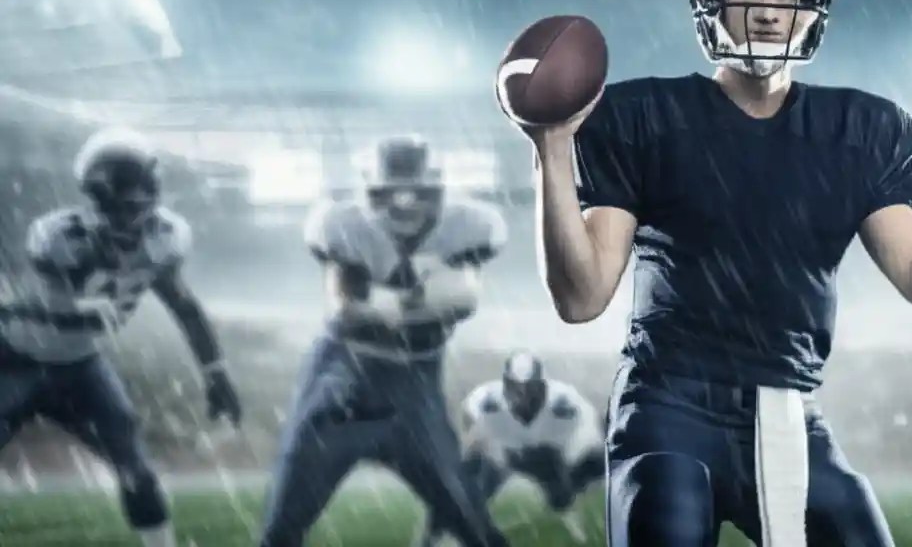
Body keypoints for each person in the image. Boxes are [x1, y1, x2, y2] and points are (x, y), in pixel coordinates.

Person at [514, 0, 912, 546]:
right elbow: (582, 298)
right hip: (669, 408)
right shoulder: (644, 116)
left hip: (788, 412)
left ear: (810, 6)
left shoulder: (860, 131)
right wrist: (552, 148)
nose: (766, 7)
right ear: (711, 2)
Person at [258, 135, 508, 547]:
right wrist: (417, 300)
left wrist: (397, 303)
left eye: (416, 193)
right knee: (282, 527)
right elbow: (346, 309)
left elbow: (463, 297)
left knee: (472, 524)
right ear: (369, 190)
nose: (404, 205)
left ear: (437, 190)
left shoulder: (468, 226)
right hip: (343, 378)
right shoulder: (344, 225)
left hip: (415, 385)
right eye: (390, 193)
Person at [0, 128, 242, 547]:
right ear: (94, 199)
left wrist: (216, 370)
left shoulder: (164, 239)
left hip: (81, 366)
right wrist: (83, 299)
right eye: (119, 207)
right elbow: (45, 291)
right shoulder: (59, 235)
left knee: (136, 469)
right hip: (14, 359)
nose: (130, 219)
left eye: (138, 204)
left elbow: (185, 307)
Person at [426, 351, 604, 545]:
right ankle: (438, 532)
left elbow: (589, 429)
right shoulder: (488, 398)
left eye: (528, 388)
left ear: (541, 385)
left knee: (591, 471)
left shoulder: (564, 400)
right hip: (507, 457)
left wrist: (571, 467)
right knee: (461, 486)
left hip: (550, 459)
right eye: (515, 388)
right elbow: (469, 416)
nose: (521, 395)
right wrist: (475, 441)